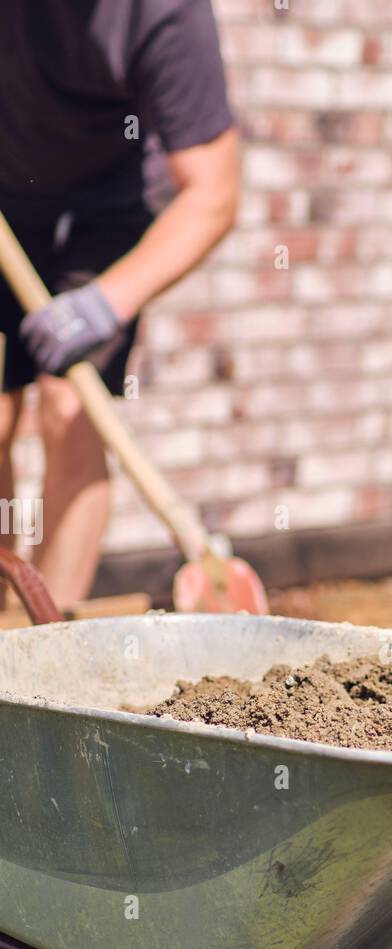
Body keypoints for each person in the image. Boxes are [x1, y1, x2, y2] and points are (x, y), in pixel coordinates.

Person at [0, 0, 240, 607]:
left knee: (68, 407)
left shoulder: (167, 14)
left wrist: (104, 304)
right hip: (9, 184)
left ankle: (44, 648)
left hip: (109, 205)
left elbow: (213, 192)